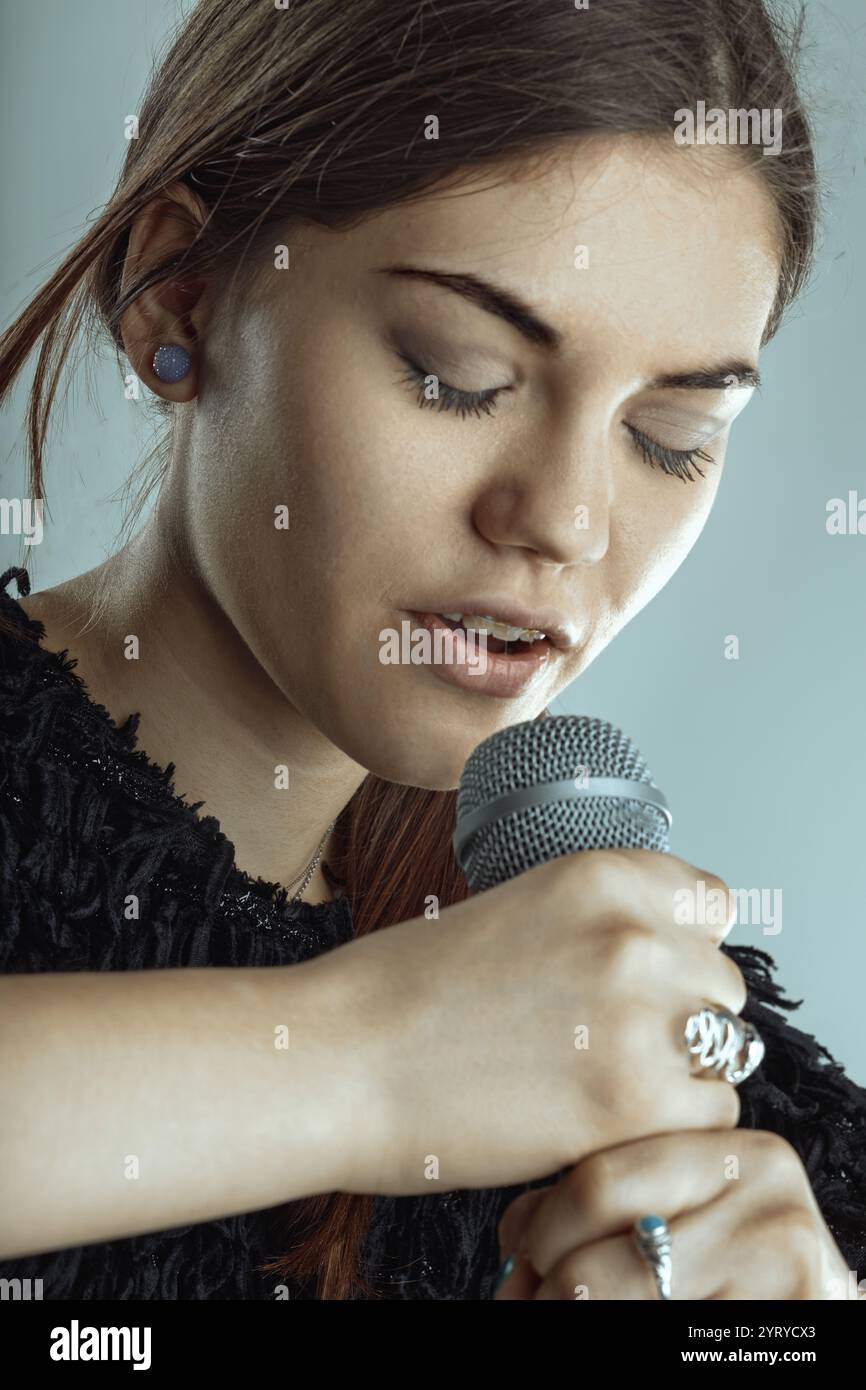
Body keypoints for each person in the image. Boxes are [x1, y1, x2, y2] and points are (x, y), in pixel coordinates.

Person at [0, 0, 864, 1301]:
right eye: (457, 374)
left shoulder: (660, 1053)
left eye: (671, 432)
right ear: (175, 287)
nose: (562, 521)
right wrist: (369, 1059)